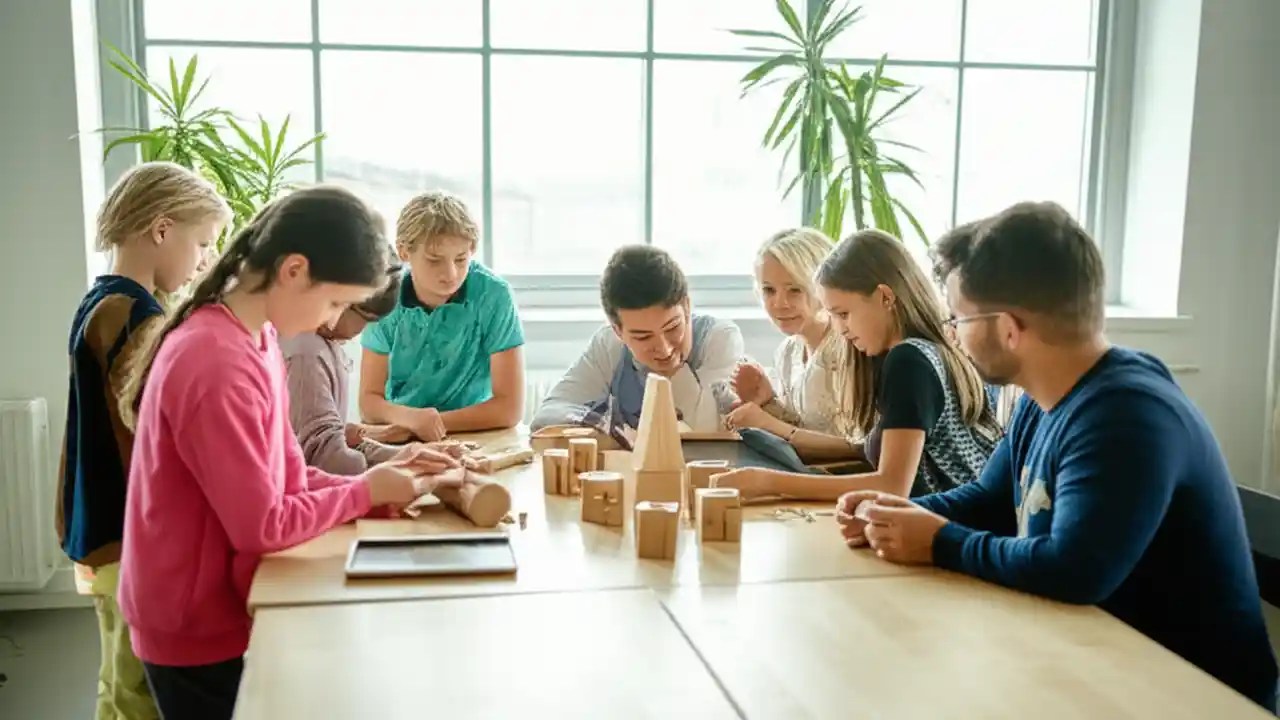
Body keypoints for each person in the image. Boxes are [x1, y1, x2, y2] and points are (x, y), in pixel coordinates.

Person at [836, 201, 1279, 710]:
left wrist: (939, 543)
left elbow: (1074, 569)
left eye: (957, 317)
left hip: (1188, 697)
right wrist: (894, 514)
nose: (952, 333)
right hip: (1095, 663)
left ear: (1008, 327)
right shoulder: (1039, 399)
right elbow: (991, 497)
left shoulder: (1127, 414)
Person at [117, 187, 462, 719]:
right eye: (336, 303)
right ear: (293, 270)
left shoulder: (255, 341)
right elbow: (264, 523)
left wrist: (388, 476)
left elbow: (290, 476)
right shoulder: (215, 361)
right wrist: (366, 490)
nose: (335, 320)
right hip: (190, 621)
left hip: (220, 602)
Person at [56, 162, 230, 720]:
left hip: (95, 522)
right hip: (129, 531)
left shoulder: (97, 300)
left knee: (115, 678)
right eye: (201, 242)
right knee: (138, 688)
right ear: (161, 230)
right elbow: (144, 435)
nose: (204, 259)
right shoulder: (136, 314)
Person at [714, 229, 999, 501]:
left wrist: (768, 483)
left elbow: (891, 485)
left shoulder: (910, 361)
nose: (839, 329)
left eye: (843, 314)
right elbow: (865, 453)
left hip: (949, 531)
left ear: (885, 297)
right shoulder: (908, 356)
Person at [358, 191, 525, 441]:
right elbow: (368, 403)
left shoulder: (494, 296)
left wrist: (430, 423)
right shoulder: (386, 297)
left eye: (461, 259)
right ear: (404, 252)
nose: (451, 273)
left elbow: (510, 409)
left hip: (479, 435)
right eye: (434, 260)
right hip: (403, 435)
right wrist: (411, 420)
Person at [531, 245, 745, 433]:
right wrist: (614, 431)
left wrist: (676, 373)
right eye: (643, 337)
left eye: (672, 327)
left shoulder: (718, 339)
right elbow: (547, 419)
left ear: (687, 306)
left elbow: (710, 430)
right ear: (618, 331)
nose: (664, 349)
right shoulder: (609, 345)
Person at [726, 228, 854, 461]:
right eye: (769, 290)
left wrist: (766, 421)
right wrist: (767, 402)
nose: (779, 303)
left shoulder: (850, 349)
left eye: (795, 290)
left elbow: (862, 449)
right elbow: (800, 429)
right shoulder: (788, 352)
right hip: (804, 476)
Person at [281, 246, 406, 474]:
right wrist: (407, 468)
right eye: (365, 320)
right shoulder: (307, 352)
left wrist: (407, 455)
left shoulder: (322, 343)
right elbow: (326, 460)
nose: (362, 330)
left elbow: (331, 437)